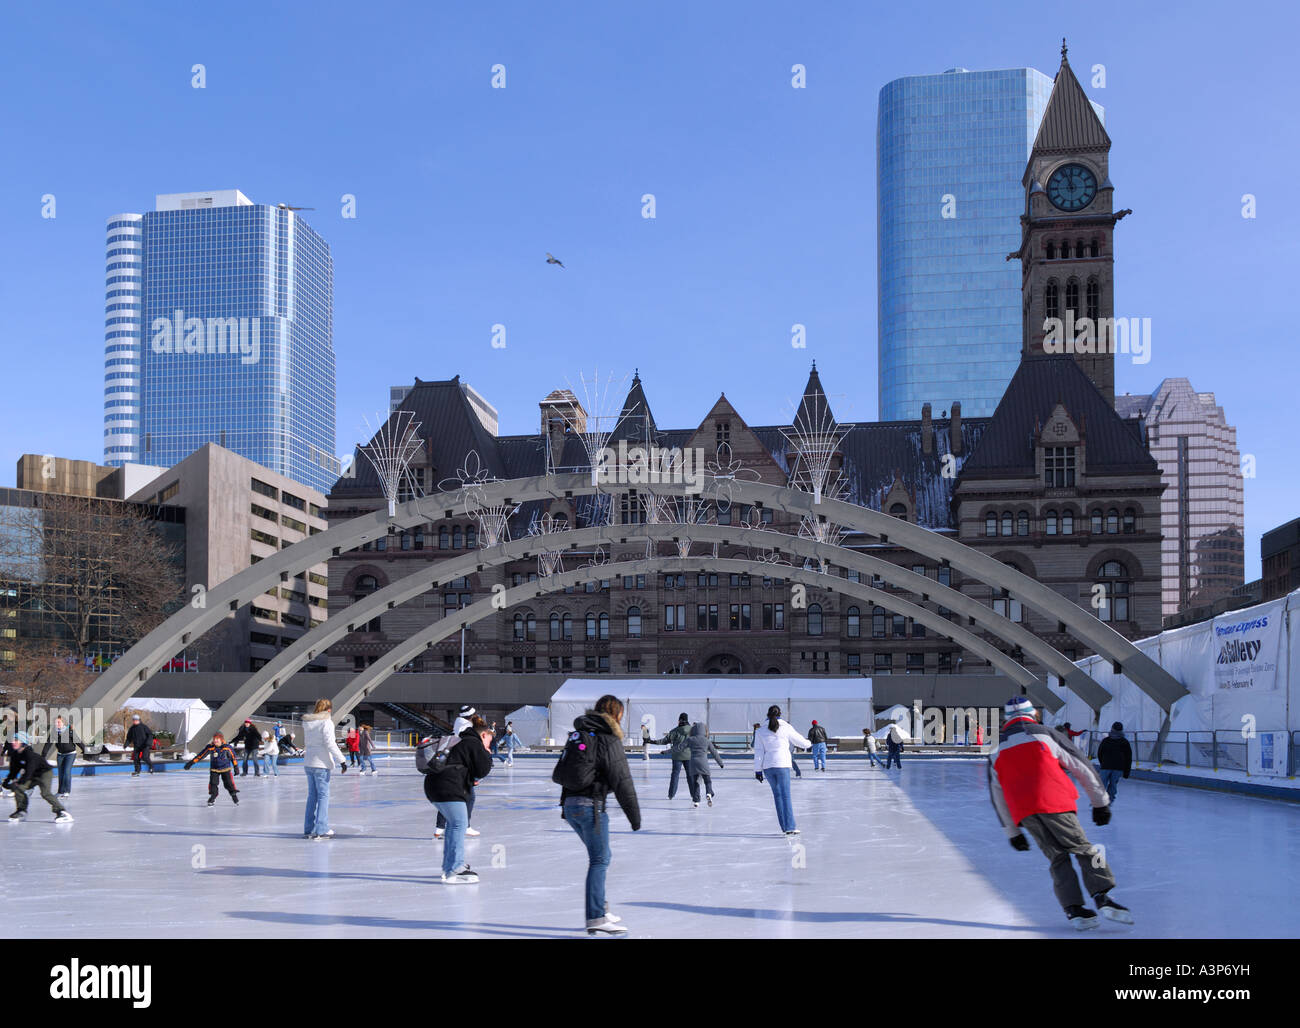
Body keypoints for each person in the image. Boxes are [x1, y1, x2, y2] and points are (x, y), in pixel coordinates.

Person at [988, 697, 1132, 930]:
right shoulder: (1045, 733)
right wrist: (1100, 802)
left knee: (1057, 857)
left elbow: (997, 794)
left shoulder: (996, 748)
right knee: (1084, 848)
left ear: (1007, 719)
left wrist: (1012, 832)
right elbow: (1080, 765)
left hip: (1025, 812)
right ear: (1032, 714)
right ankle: (1102, 894)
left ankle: (1074, 909)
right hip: (1054, 803)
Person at [555, 694, 641, 935]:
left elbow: (568, 771)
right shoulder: (607, 739)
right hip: (590, 807)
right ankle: (596, 917)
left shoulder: (579, 735)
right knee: (600, 860)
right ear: (615, 715)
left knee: (602, 855)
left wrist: (565, 806)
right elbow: (623, 780)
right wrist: (635, 818)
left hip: (572, 806)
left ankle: (601, 907)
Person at [424, 716, 494, 883]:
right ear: (483, 735)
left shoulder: (458, 740)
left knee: (454, 825)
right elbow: (483, 770)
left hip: (434, 786)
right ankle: (455, 868)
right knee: (458, 824)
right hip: (449, 787)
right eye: (489, 741)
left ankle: (449, 867)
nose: (489, 745)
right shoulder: (473, 743)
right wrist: (486, 754)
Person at [753, 705, 812, 835]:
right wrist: (809, 743)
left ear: (767, 715)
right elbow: (800, 742)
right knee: (785, 795)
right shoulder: (786, 728)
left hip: (768, 767)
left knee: (778, 796)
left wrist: (758, 770)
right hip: (782, 764)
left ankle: (785, 827)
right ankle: (790, 826)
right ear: (780, 714)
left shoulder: (760, 731)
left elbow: (759, 751)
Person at [302, 699, 348, 840]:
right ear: (328, 710)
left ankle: (309, 828)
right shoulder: (326, 722)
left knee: (312, 796)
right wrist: (342, 760)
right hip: (321, 764)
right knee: (323, 796)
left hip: (309, 762)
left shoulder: (307, 722)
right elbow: (330, 743)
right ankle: (321, 828)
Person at [435, 705, 483, 839]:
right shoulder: (467, 729)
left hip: (449, 765)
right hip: (460, 768)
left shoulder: (458, 725)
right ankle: (465, 826)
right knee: (469, 797)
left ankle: (439, 828)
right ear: (471, 716)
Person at [6, 732, 73, 823]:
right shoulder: (15, 755)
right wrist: (6, 782)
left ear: (23, 742)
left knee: (45, 793)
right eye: (13, 740)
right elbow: (14, 771)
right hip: (32, 774)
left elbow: (29, 771)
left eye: (16, 740)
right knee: (18, 789)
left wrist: (19, 782)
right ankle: (21, 810)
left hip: (44, 773)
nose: (13, 742)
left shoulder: (29, 754)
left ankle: (61, 811)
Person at [186, 733, 240, 806]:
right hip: (214, 769)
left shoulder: (227, 747)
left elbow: (233, 757)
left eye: (217, 739)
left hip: (225, 769)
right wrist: (191, 762)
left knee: (228, 783)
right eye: (214, 739)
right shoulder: (211, 747)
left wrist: (236, 767)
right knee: (213, 784)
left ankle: (234, 795)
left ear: (221, 740)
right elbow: (201, 755)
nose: (215, 741)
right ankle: (213, 796)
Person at [650, 713, 693, 799]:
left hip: (677, 756)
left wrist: (652, 742)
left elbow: (664, 740)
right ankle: (694, 795)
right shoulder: (693, 730)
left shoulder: (675, 730)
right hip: (689, 756)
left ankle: (671, 795)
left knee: (675, 775)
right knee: (690, 776)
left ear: (679, 720)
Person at [42, 715, 86, 798]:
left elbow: (78, 741)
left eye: (59, 722)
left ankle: (67, 791)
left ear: (63, 723)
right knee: (61, 773)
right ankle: (60, 791)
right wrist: (43, 754)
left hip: (70, 754)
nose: (57, 724)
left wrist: (84, 749)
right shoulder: (54, 732)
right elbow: (48, 744)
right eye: (56, 722)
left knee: (66, 771)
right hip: (60, 755)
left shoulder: (69, 731)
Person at [686, 721, 724, 807]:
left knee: (696, 783)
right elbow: (714, 753)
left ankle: (696, 801)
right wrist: (720, 763)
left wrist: (666, 751)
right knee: (707, 781)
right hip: (703, 764)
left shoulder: (690, 740)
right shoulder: (707, 741)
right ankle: (709, 793)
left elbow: (679, 747)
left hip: (693, 764)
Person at [1096, 722, 1132, 803]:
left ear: (1112, 729)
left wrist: (1103, 763)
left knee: (1102, 784)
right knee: (1113, 785)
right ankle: (1109, 800)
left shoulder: (1106, 740)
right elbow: (1128, 758)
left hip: (1106, 766)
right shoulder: (1124, 742)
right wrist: (1126, 772)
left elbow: (1100, 753)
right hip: (1118, 768)